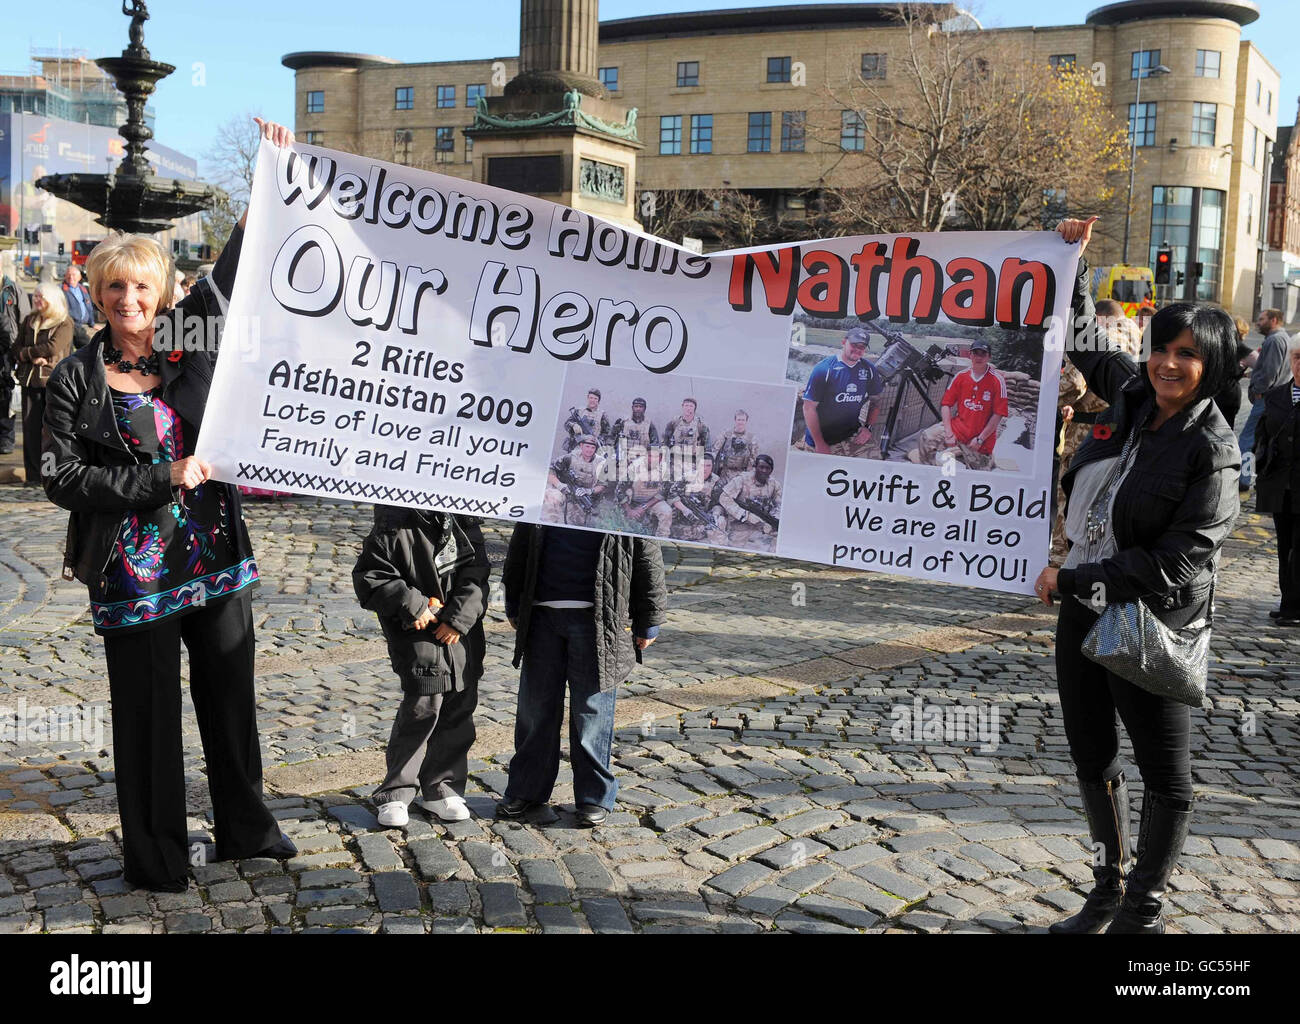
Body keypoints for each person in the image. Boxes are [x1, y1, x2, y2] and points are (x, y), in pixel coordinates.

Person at [40, 118, 299, 893]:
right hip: (131, 573)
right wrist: (159, 479)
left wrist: (271, 178)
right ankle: (155, 856)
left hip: (215, 556)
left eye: (143, 286)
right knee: (147, 722)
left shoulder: (190, 339)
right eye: (115, 287)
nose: (130, 299)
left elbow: (231, 270)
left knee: (230, 696)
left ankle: (247, 829)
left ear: (162, 294)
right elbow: (63, 477)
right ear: (99, 293)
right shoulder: (75, 378)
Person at [1036, 216, 1240, 935]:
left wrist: (1072, 580)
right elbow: (1084, 335)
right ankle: (1104, 888)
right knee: (1092, 759)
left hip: (1153, 625)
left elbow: (1177, 562)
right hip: (1084, 609)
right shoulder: (1128, 400)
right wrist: (1073, 260)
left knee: (1166, 777)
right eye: (1161, 349)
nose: (1168, 364)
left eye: (1187, 355)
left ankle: (1142, 911)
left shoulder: (1214, 453)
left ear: (1211, 365)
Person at [498, 524, 667, 826]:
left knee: (591, 713)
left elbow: (646, 555)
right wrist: (513, 600)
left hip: (599, 620)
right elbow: (520, 549)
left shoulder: (622, 500)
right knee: (536, 709)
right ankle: (526, 791)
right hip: (541, 618)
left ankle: (593, 797)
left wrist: (649, 619)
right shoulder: (546, 493)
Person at [352, 508, 490, 826]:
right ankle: (396, 792)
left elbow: (477, 574)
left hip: (462, 635)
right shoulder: (392, 525)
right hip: (415, 633)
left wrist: (458, 618)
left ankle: (442, 788)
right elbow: (371, 576)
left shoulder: (464, 521)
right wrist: (416, 605)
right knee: (421, 709)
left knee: (459, 709)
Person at [1251, 340, 1300, 626]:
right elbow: (1262, 435)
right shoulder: (1276, 396)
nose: (1299, 363)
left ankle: (1294, 606)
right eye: (1296, 357)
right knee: (1284, 545)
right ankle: (1286, 602)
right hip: (1280, 486)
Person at [912, 339, 1008, 470]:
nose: (978, 357)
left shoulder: (997, 380)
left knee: (980, 476)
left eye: (983, 354)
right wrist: (949, 432)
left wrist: (980, 439)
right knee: (927, 437)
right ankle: (928, 472)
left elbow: (998, 414)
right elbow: (946, 405)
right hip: (959, 429)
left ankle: (983, 459)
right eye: (975, 353)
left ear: (989, 357)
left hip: (980, 438)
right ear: (970, 355)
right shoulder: (961, 376)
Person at [16, 283, 74, 483]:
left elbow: (53, 346)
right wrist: (29, 355)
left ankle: (51, 474)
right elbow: (16, 347)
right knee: (30, 431)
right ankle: (33, 475)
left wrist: (30, 353)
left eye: (41, 297)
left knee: (51, 433)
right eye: (35, 297)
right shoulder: (29, 320)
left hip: (52, 382)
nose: (36, 300)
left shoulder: (64, 322)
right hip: (30, 381)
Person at [798, 326, 882, 457]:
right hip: (821, 438)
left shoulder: (869, 370)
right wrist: (819, 443)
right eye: (854, 345)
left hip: (850, 434)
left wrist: (867, 428)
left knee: (875, 460)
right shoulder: (824, 369)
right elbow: (808, 408)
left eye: (862, 347)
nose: (858, 350)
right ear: (844, 342)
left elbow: (876, 402)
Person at [1240, 307, 1292, 492]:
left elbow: (1270, 371)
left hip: (1267, 398)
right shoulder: (1283, 338)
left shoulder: (1275, 340)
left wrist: (1259, 391)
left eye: (1262, 319)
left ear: (1274, 320)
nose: (1258, 322)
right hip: (1276, 398)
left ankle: (1243, 479)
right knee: (1267, 440)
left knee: (1247, 439)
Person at [719, 453, 782, 551]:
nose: (764, 471)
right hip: (739, 525)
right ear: (755, 467)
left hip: (763, 526)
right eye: (761, 467)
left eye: (768, 468)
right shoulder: (742, 479)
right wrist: (745, 515)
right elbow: (723, 498)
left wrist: (773, 520)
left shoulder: (774, 484)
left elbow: (779, 505)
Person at [0, 253, 30, 455]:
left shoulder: (14, 290)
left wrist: (19, 351)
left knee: (5, 396)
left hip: (7, 352)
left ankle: (5, 439)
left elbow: (25, 321)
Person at [542, 434, 608, 525]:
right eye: (587, 446)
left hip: (584, 496)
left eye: (592, 447)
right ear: (581, 446)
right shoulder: (570, 458)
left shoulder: (601, 463)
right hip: (566, 490)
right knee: (551, 496)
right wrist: (560, 485)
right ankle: (547, 525)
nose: (589, 450)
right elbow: (550, 469)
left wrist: (589, 491)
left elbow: (603, 485)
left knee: (580, 522)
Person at [667, 449, 728, 545]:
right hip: (683, 514)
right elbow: (672, 494)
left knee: (719, 523)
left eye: (708, 466)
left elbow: (719, 503)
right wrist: (685, 510)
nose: (705, 469)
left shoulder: (716, 481)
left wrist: (715, 514)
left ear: (713, 467)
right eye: (702, 465)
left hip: (702, 515)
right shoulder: (687, 477)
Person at [616, 444, 673, 537]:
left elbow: (664, 492)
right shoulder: (634, 467)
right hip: (632, 501)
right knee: (625, 523)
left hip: (652, 501)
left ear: (660, 458)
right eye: (650, 456)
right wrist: (629, 510)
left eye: (656, 456)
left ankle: (662, 539)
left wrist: (644, 507)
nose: (653, 459)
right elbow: (619, 490)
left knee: (667, 511)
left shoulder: (665, 469)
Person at [1212, 316, 1254, 428]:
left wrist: (1245, 374)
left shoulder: (1242, 350)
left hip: (1224, 395)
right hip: (1222, 393)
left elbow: (1266, 369)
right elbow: (1264, 368)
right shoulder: (1219, 344)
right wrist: (1244, 374)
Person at [663, 397, 710, 479]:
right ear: (682, 406)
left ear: (695, 408)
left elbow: (705, 444)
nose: (688, 408)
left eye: (691, 406)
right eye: (686, 405)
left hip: (691, 462)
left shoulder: (701, 425)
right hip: (675, 461)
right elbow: (665, 440)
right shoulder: (674, 422)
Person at [715, 408, 759, 482]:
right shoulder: (726, 434)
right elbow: (715, 450)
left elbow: (754, 458)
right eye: (739, 420)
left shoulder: (751, 438)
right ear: (735, 420)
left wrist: (748, 475)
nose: (740, 422)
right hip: (725, 473)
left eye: (743, 420)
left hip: (742, 474)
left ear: (746, 421)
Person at [61, 264, 95, 350]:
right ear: (65, 276)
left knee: (89, 350)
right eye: (68, 275)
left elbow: (89, 306)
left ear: (79, 277)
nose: (71, 277)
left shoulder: (83, 289)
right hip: (70, 326)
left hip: (82, 326)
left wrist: (92, 323)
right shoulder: (61, 290)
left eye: (73, 275)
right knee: (69, 352)